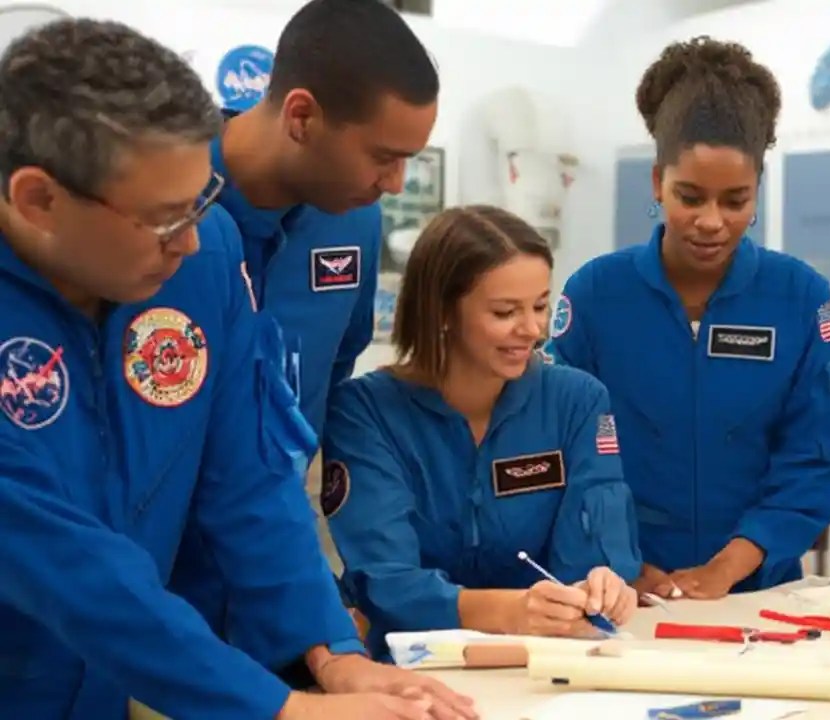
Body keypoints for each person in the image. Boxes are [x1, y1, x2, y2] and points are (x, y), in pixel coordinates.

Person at [0, 18, 475, 720]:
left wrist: (331, 656)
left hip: (113, 684)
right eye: (166, 218)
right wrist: (284, 709)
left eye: (200, 201)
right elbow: (67, 564)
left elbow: (250, 475)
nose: (193, 240)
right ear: (40, 199)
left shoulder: (206, 256)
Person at [545, 37, 830, 600]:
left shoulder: (798, 297)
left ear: (757, 191)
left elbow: (814, 453)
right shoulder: (596, 294)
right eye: (689, 196)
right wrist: (621, 563)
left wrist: (732, 565)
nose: (710, 221)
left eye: (734, 200)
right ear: (657, 183)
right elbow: (564, 448)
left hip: (757, 593)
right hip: (615, 589)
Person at [169, 0, 439, 645]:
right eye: (382, 156)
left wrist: (321, 631)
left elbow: (322, 384)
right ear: (301, 116)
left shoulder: (354, 221)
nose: (396, 184)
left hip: (276, 588)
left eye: (409, 160)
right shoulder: (164, 209)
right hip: (148, 597)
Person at [323, 205, 642, 659]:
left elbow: (595, 546)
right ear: (443, 311)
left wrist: (602, 586)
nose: (531, 330)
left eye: (539, 306)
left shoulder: (577, 401)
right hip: (414, 673)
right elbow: (385, 581)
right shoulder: (366, 412)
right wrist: (510, 611)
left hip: (551, 664)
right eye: (505, 311)